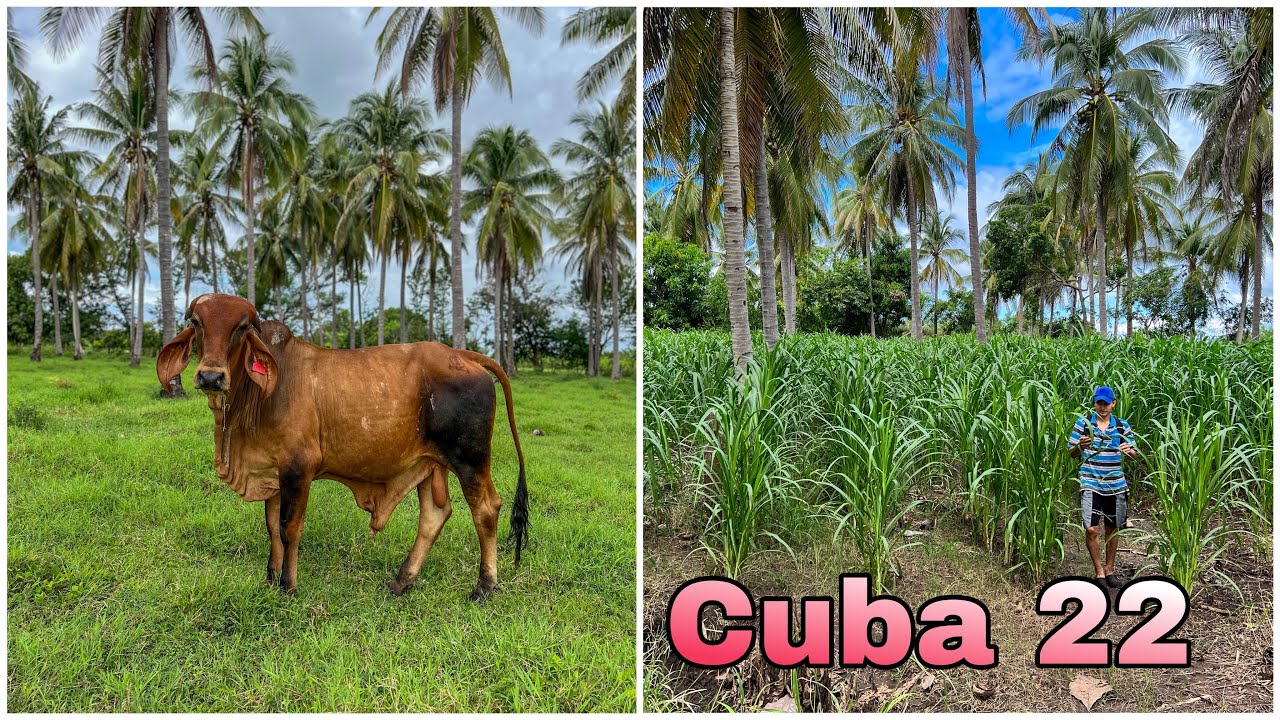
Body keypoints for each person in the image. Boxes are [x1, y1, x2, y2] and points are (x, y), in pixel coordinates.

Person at [1068, 386, 1138, 590]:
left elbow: (1134, 455)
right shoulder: (1083, 424)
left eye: (1106, 403)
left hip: (1116, 485)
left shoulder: (1122, 426)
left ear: (1113, 404)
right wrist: (1079, 446)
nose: (1103, 406)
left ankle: (1110, 570)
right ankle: (1098, 571)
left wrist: (1129, 451)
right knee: (1091, 529)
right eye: (1099, 403)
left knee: (1112, 529)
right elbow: (1071, 453)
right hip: (1090, 483)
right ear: (1094, 403)